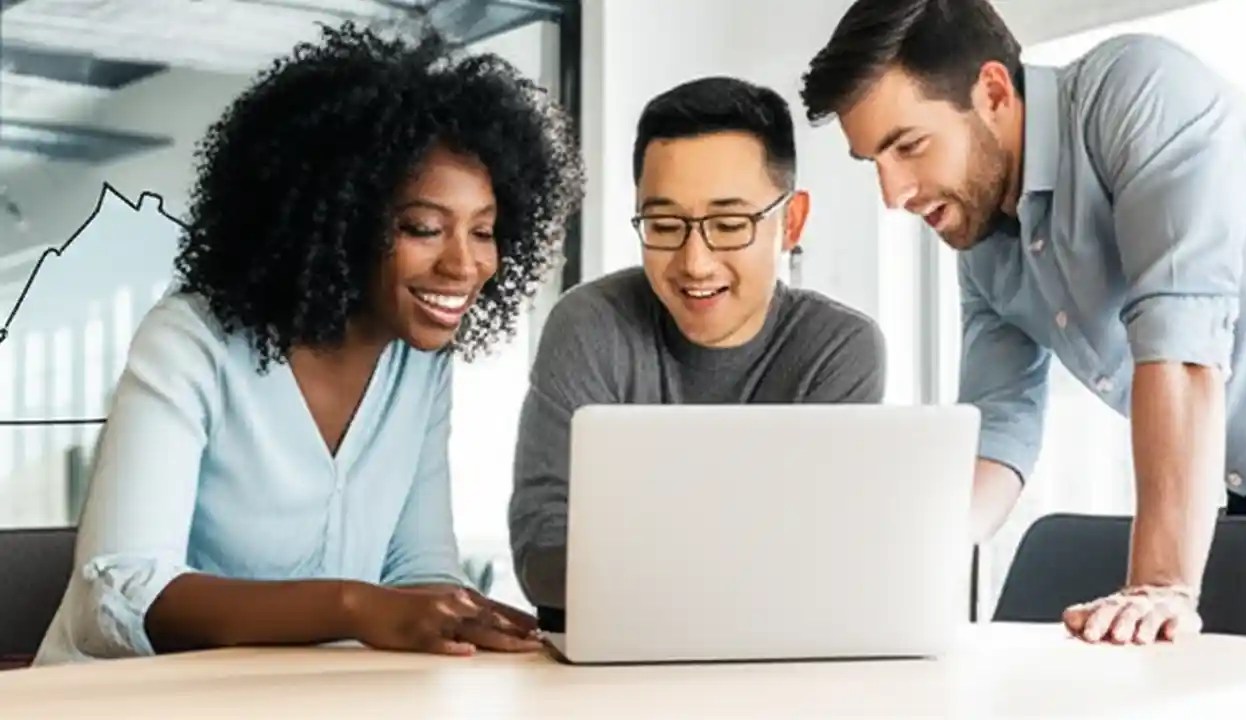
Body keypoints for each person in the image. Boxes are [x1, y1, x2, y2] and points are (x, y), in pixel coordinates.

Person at [34, 20, 584, 665]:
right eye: (424, 227)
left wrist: (485, 623)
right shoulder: (193, 341)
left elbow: (415, 566)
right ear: (338, 220)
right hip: (125, 701)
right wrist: (355, 605)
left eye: (484, 231)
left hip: (296, 698)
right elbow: (121, 596)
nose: (465, 265)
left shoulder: (419, 362)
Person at [800, 0, 1246, 646]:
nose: (894, 195)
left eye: (909, 146)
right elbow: (1001, 428)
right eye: (874, 165)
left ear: (993, 91)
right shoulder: (984, 251)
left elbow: (1183, 339)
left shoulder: (1139, 93)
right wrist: (907, 560)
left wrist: (1160, 585)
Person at [508, 77, 887, 618]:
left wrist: (645, 566)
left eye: (729, 225)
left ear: (792, 222)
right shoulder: (590, 325)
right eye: (663, 225)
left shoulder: (838, 348)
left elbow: (817, 560)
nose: (694, 262)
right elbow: (541, 552)